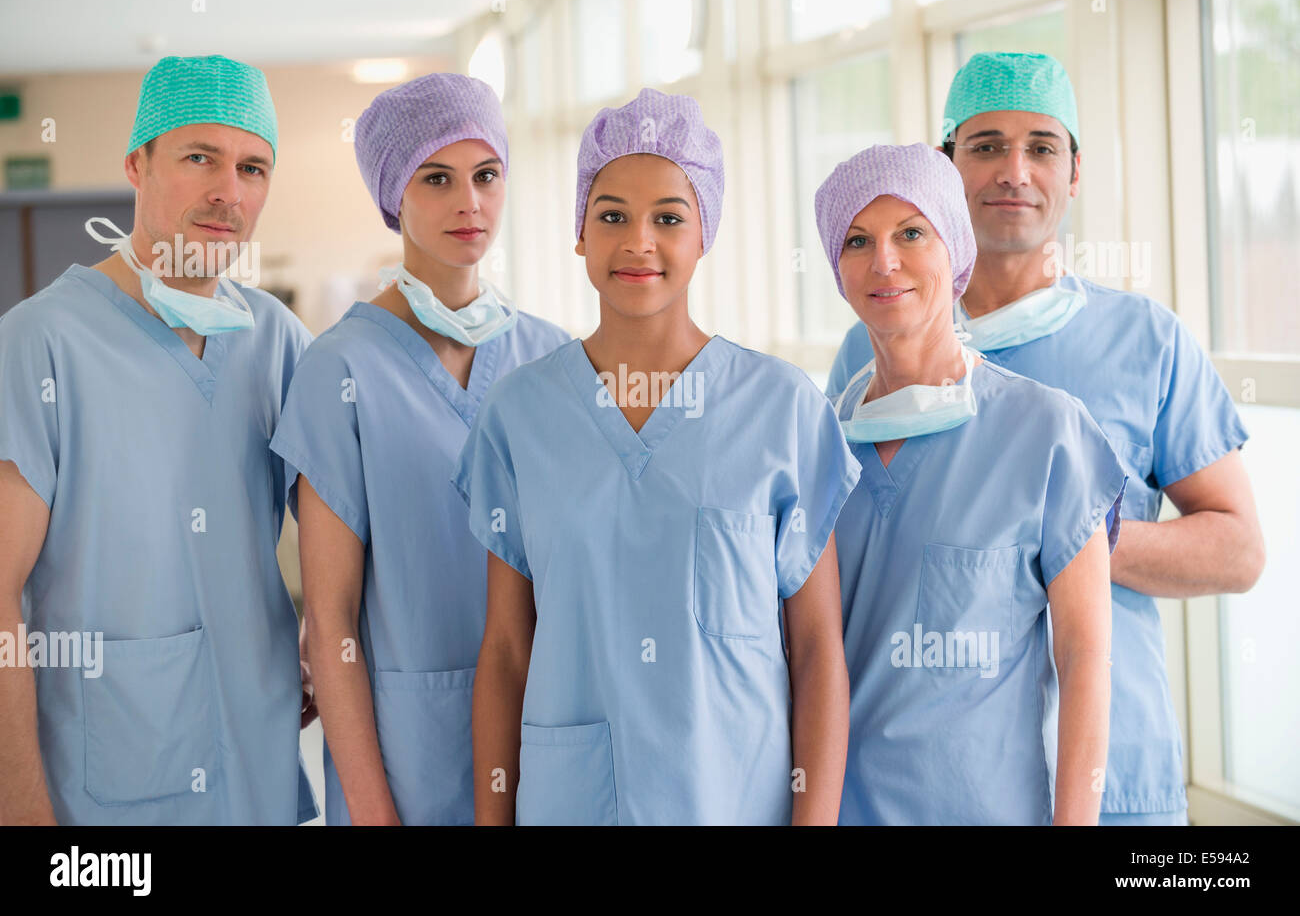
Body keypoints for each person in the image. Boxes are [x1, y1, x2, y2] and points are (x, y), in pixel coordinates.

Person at [825, 53, 1264, 826]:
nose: (1013, 171)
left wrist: (1054, 547)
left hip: (1113, 776)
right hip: (924, 783)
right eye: (986, 145)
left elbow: (1238, 548)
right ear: (943, 165)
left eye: (1042, 147)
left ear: (1075, 170)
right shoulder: (869, 351)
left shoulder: (1144, 341)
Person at [452, 88, 859, 825]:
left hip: (736, 799)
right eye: (611, 216)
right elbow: (508, 649)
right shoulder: (519, 415)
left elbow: (817, 647)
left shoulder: (783, 409)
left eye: (669, 217)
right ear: (579, 233)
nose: (638, 241)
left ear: (705, 233)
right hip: (572, 801)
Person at [0, 54, 318, 824]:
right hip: (104, 792)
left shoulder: (277, 340)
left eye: (253, 167)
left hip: (259, 773)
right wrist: (22, 813)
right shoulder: (41, 342)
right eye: (199, 157)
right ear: (137, 165)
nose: (228, 192)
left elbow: (351, 547)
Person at [270, 72, 569, 826]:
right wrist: (373, 812)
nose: (469, 201)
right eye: (437, 178)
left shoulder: (556, 360)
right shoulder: (339, 371)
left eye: (487, 174)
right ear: (395, 194)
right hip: (409, 758)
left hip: (554, 737)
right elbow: (330, 622)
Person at [821, 143, 1123, 825]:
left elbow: (1085, 657)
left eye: (911, 233)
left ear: (954, 247)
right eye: (858, 240)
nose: (884, 262)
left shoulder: (1044, 432)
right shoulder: (817, 448)